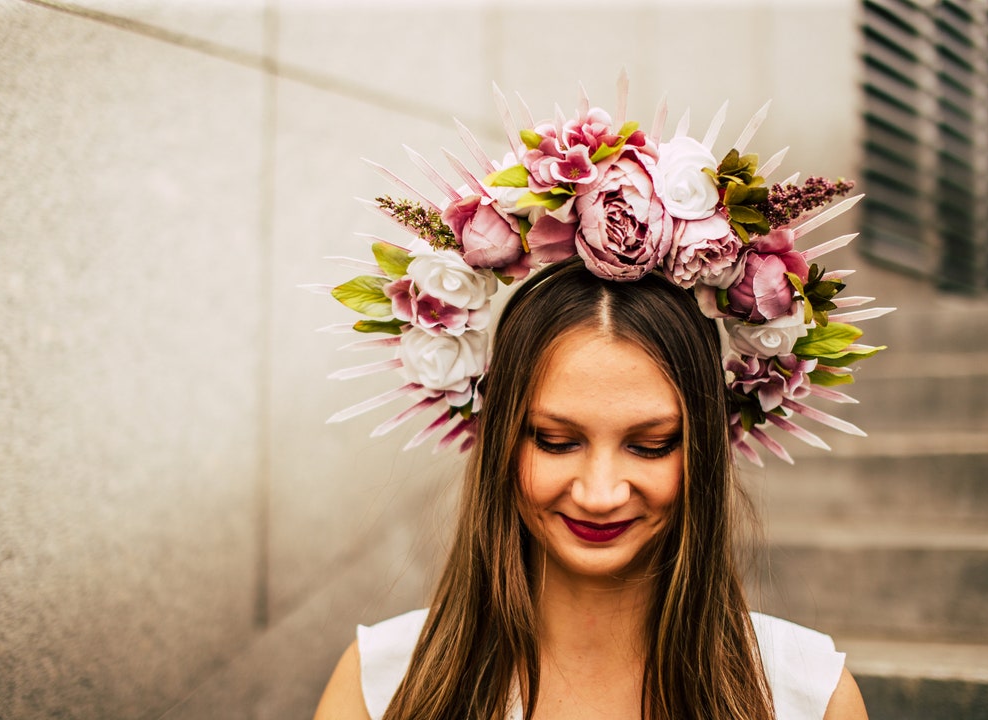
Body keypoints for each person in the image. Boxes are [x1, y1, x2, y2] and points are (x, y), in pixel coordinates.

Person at [313, 82, 885, 719]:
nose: (600, 492)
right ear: (501, 435)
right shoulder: (380, 682)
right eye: (556, 441)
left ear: (704, 446)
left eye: (651, 444)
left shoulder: (806, 695)